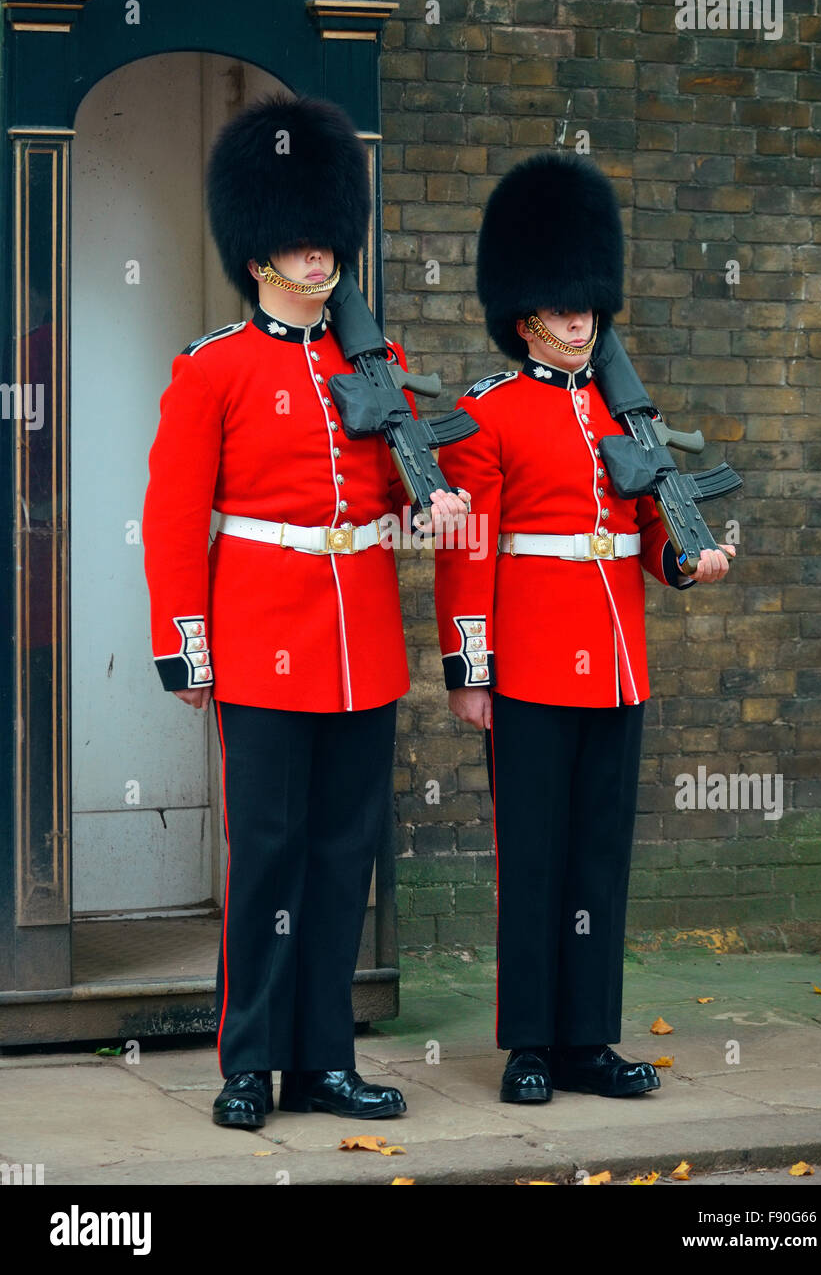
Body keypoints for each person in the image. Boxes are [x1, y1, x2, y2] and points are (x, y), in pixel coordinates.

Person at [142, 93, 466, 1129]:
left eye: (329, 240)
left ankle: (323, 1061)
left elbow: (409, 490)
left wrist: (439, 499)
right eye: (298, 243)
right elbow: (171, 521)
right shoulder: (213, 369)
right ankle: (248, 1063)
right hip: (261, 642)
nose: (320, 258)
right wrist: (184, 647)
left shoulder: (377, 366)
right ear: (256, 257)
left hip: (362, 644)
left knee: (341, 860)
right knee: (268, 854)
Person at [434, 152, 735, 1104]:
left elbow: (648, 531)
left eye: (588, 306)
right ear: (526, 315)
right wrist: (469, 670)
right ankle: (527, 1043)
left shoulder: (625, 413)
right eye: (564, 308)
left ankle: (586, 1042)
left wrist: (686, 557)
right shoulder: (487, 415)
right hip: (525, 668)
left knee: (598, 863)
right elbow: (465, 552)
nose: (580, 320)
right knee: (533, 861)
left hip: (615, 669)